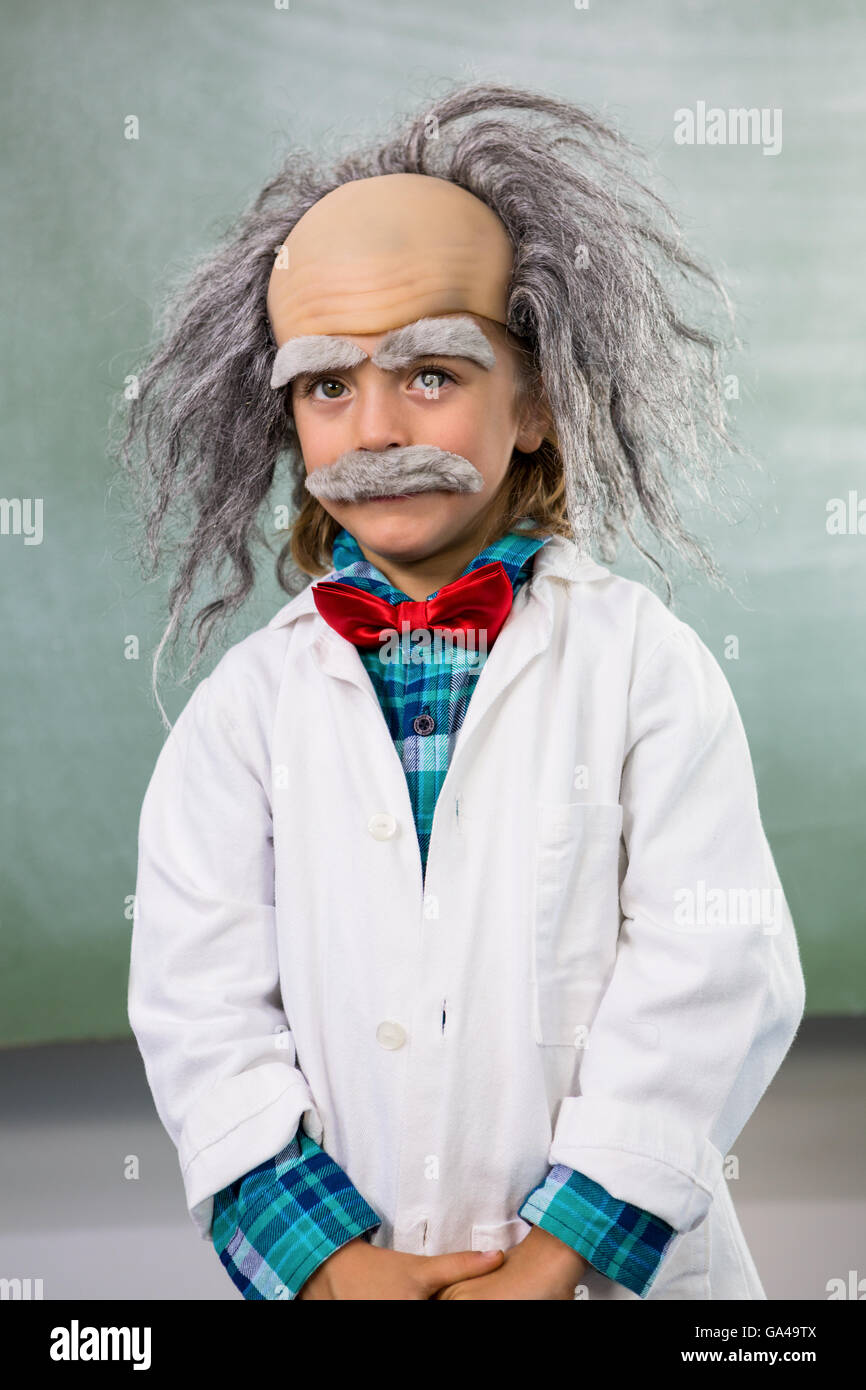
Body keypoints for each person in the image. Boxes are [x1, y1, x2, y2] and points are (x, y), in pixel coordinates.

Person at [119, 81, 806, 1300]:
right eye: (327, 385)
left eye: (432, 370)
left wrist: (550, 1261)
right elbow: (198, 1011)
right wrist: (327, 1264)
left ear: (536, 399)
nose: (374, 425)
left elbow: (714, 971)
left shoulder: (643, 670)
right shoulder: (243, 714)